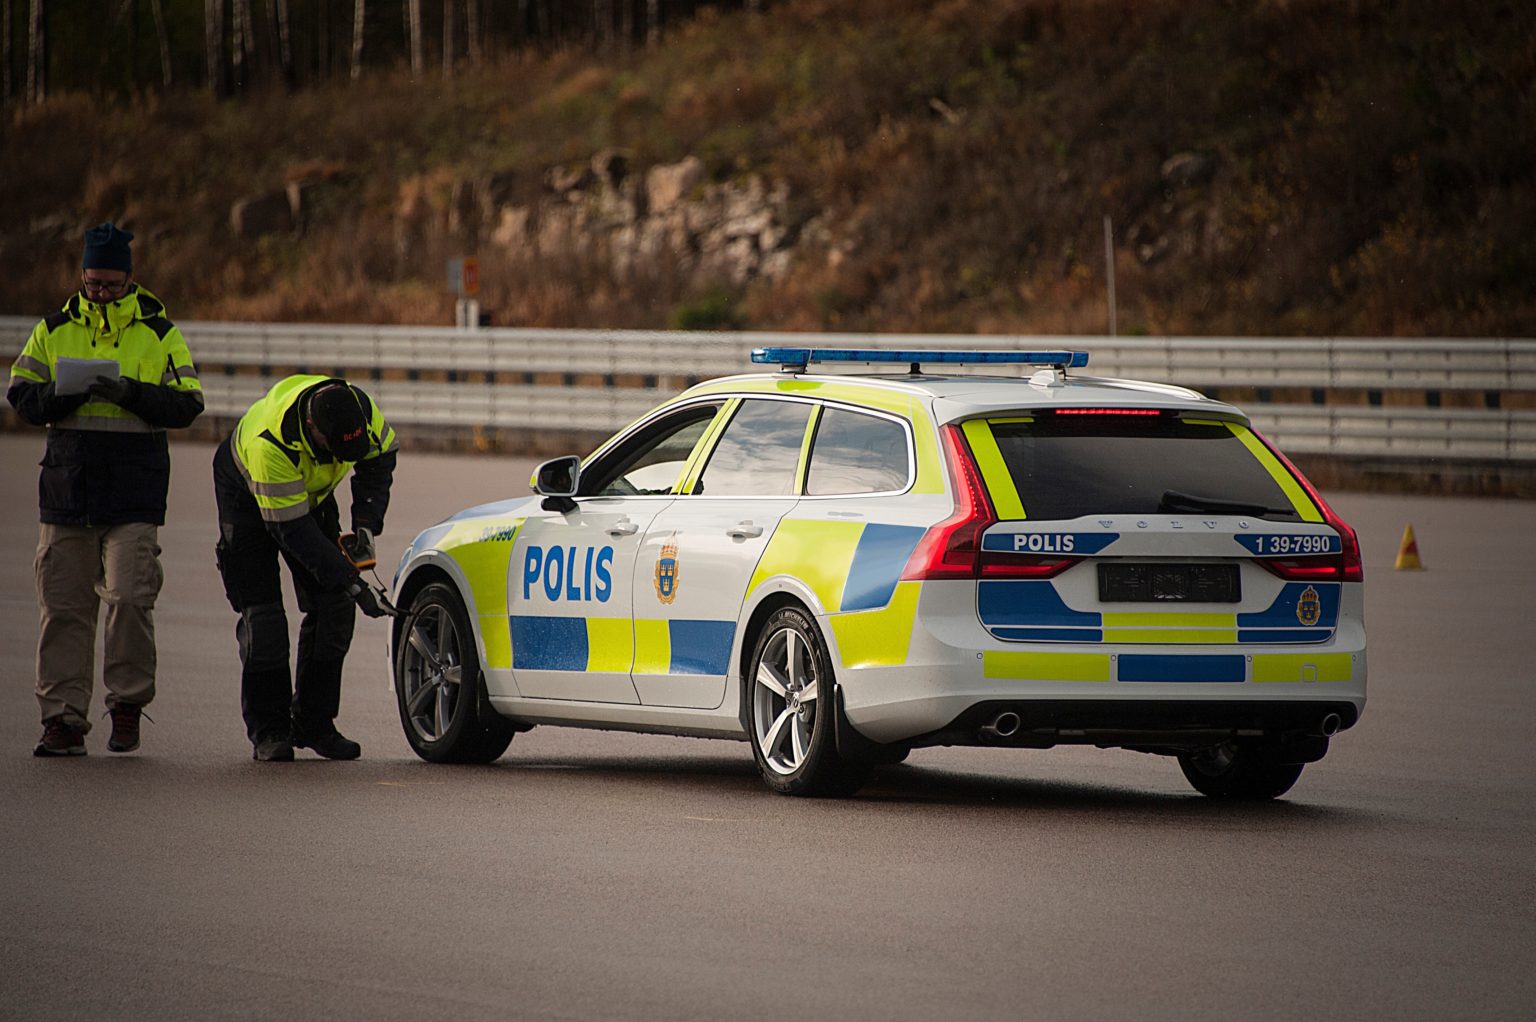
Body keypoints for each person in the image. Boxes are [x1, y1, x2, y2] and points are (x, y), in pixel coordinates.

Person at [6, 222, 204, 756]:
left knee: (131, 601)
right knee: (64, 610)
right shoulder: (52, 330)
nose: (101, 293)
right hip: (67, 491)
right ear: (82, 276)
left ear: (130, 279)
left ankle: (126, 706)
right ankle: (63, 720)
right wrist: (63, 397)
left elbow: (188, 403)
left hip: (134, 493)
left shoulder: (160, 332)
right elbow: (21, 397)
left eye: (112, 285)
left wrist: (131, 393)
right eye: (93, 283)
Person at [212, 374, 398, 761]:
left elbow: (379, 462)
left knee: (334, 608)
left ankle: (314, 723)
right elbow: (294, 534)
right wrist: (354, 583)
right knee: (264, 621)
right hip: (250, 501)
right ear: (313, 430)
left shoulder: (361, 412)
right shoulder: (271, 444)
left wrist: (365, 525)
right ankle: (270, 731)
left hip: (310, 497)